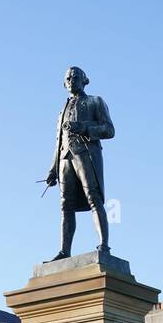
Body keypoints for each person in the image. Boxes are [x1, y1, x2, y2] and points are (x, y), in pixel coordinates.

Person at [43, 65, 115, 259]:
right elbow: (58, 141)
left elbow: (109, 130)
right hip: (65, 159)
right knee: (65, 205)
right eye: (67, 78)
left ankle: (104, 246)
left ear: (84, 80)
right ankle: (64, 251)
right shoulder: (61, 111)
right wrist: (52, 169)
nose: (71, 80)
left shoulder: (95, 102)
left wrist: (83, 127)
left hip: (86, 155)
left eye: (75, 77)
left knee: (94, 198)